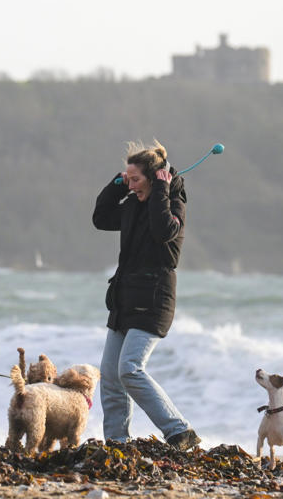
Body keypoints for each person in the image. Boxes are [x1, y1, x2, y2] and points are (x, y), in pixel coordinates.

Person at [92, 139, 201, 450]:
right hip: (125, 300)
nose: (131, 185)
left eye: (135, 179)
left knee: (130, 369)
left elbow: (163, 230)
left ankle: (180, 431)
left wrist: (163, 191)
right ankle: (116, 442)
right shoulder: (132, 205)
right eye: (128, 178)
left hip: (154, 300)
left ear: (154, 178)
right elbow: (101, 219)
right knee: (111, 377)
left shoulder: (173, 204)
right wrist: (117, 184)